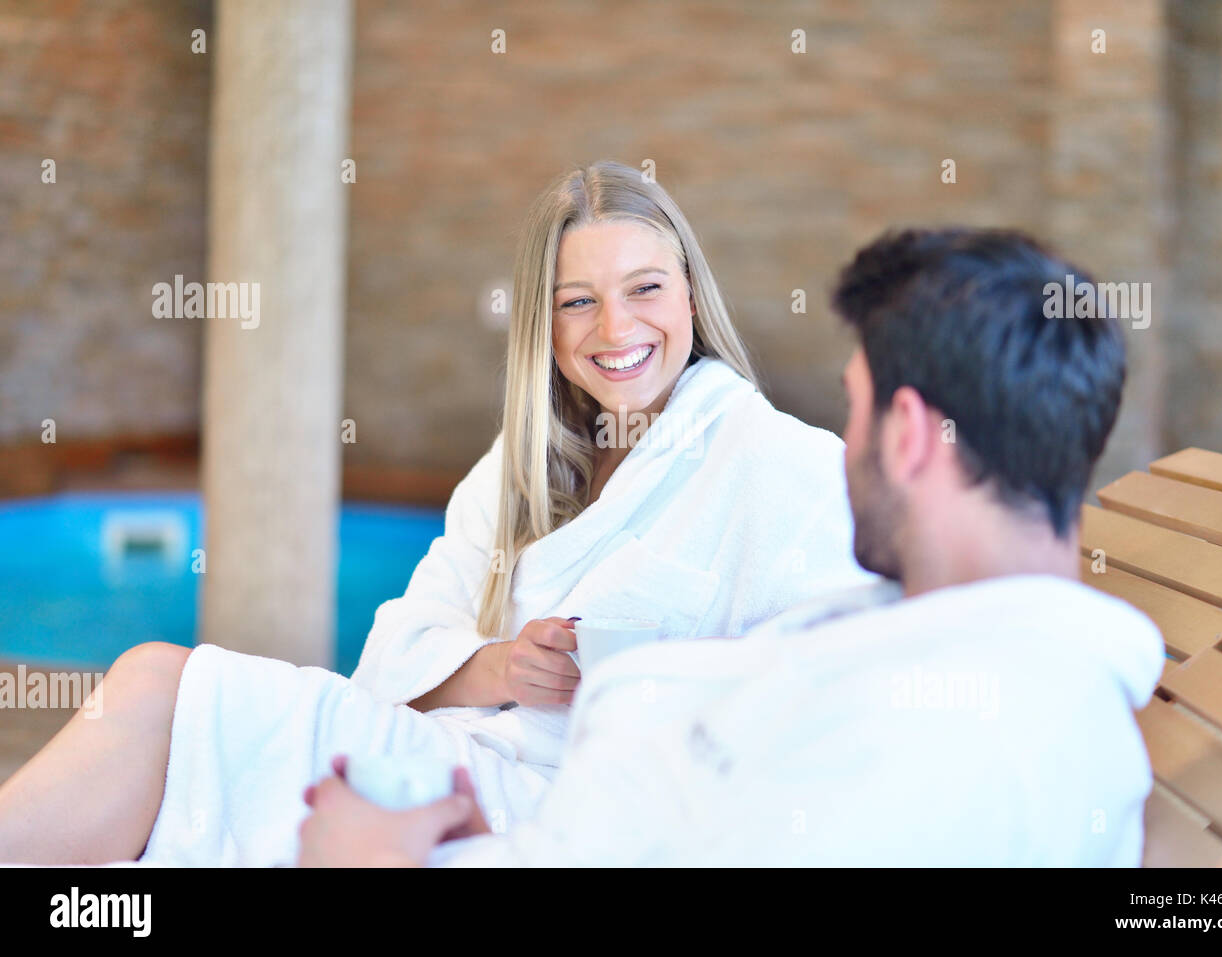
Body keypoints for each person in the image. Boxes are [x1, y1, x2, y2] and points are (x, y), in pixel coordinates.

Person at [0, 162, 873, 866]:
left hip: (576, 807)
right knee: (158, 682)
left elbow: (834, 690)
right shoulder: (521, 467)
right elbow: (395, 647)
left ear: (689, 292)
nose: (616, 327)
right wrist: (501, 669)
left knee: (171, 724)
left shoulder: (775, 464)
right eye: (578, 300)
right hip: (448, 762)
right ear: (545, 322)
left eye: (645, 287)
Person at [297, 226, 1165, 867]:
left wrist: (369, 864)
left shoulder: (949, 735)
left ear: (905, 435)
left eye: (851, 405)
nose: (837, 444)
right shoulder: (949, 650)